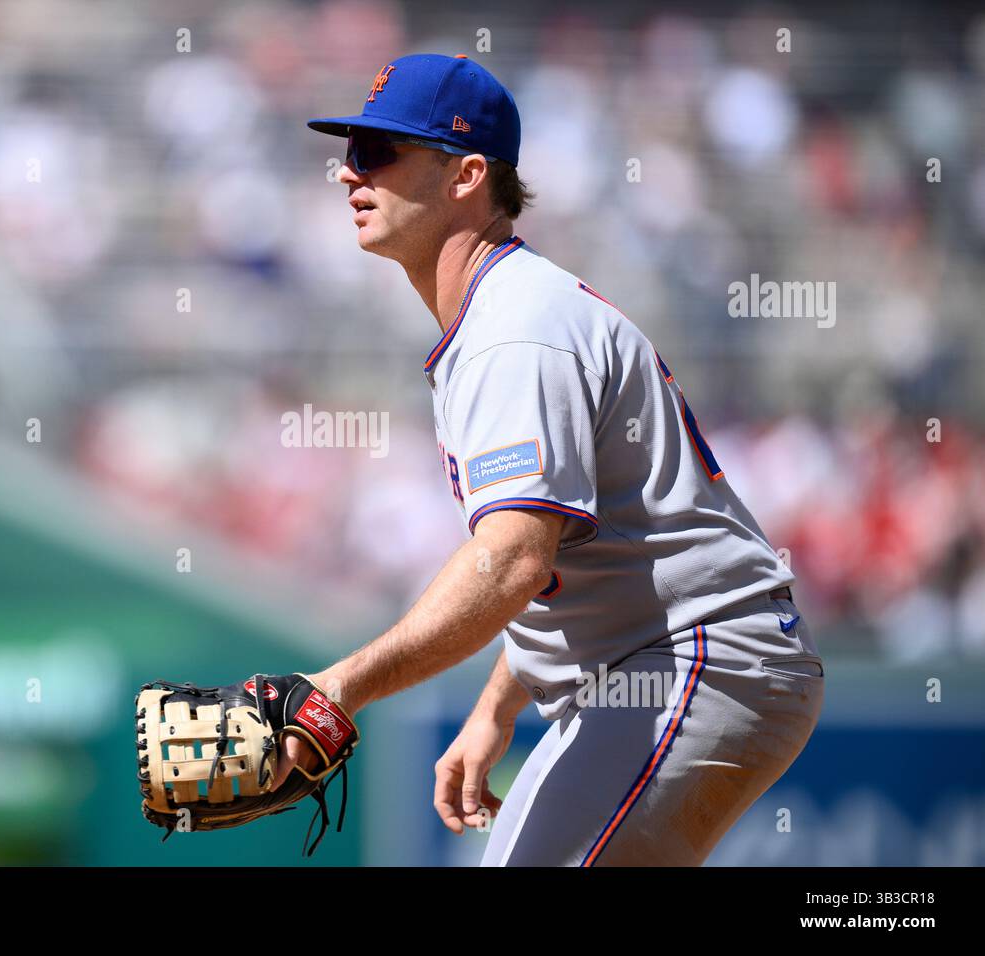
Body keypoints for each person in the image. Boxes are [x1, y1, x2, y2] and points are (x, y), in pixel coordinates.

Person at [281, 53, 824, 866]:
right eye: (352, 150)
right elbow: (561, 553)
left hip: (700, 657)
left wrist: (342, 688)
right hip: (665, 662)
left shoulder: (516, 329)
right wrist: (499, 703)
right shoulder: (505, 313)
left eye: (379, 151)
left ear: (466, 174)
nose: (350, 172)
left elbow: (511, 562)